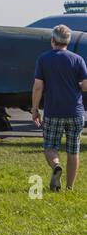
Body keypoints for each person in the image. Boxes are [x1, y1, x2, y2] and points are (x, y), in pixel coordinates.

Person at [31, 24, 87, 192]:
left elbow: (38, 87)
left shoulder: (43, 59)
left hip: (53, 111)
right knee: (73, 150)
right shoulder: (77, 60)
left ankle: (56, 166)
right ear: (68, 42)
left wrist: (35, 109)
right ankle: (69, 187)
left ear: (53, 40)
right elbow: (85, 86)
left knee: (50, 147)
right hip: (75, 112)